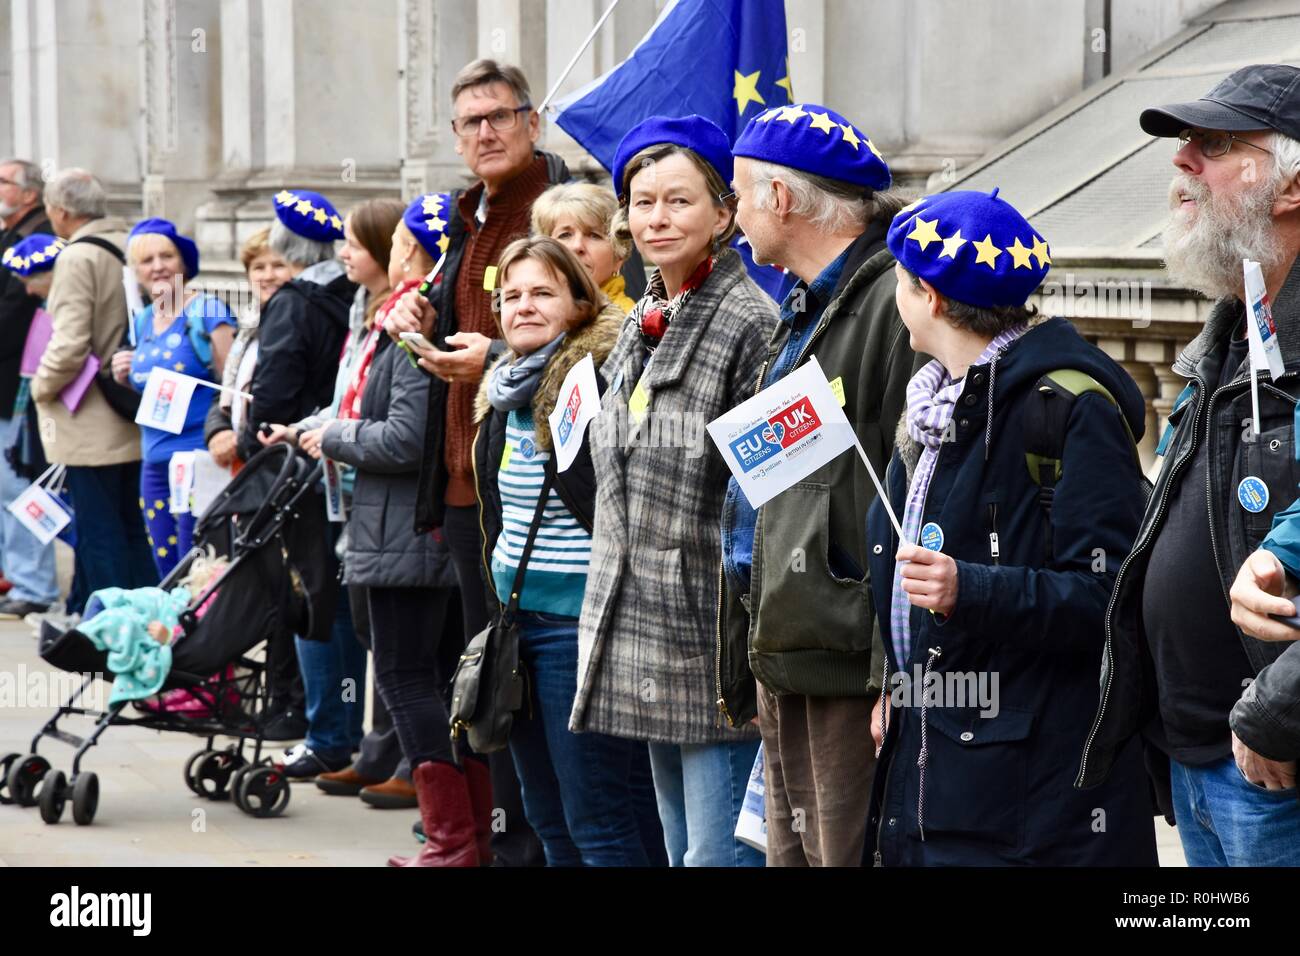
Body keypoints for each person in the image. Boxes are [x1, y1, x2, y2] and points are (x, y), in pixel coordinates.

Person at [865, 188, 1157, 865]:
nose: (896, 300)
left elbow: (1106, 595)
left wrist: (971, 588)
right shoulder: (932, 403)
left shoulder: (1068, 410)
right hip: (935, 769)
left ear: (932, 298)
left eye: (901, 285)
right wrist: (900, 695)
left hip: (1029, 803)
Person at [1080, 64, 1300, 865]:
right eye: (1183, 143)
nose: (1182, 161)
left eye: (1212, 144)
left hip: (1272, 768)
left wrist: (1278, 715)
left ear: (1293, 186)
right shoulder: (1235, 331)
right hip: (1198, 758)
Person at [568, 115, 778, 867]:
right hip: (642, 620)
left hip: (709, 631)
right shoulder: (646, 316)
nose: (657, 218)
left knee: (718, 857)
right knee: (679, 846)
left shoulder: (752, 320)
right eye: (642, 201)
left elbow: (771, 497)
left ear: (724, 214)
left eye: (678, 201)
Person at [716, 104, 914, 866]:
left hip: (845, 661)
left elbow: (912, 492)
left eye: (738, 193)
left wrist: (887, 672)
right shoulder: (807, 298)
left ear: (783, 199)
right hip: (791, 641)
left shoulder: (892, 299)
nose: (732, 214)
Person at [386, 57, 568, 867]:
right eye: (471, 121)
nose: (487, 131)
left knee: (530, 682)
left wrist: (491, 358)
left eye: (501, 115)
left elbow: (583, 336)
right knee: (486, 678)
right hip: (465, 488)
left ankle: (530, 847)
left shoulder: (559, 211)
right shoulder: (468, 216)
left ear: (533, 123)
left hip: (535, 491)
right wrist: (423, 306)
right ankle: (492, 844)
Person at [472, 235, 664, 865]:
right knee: (546, 815)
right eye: (513, 295)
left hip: (582, 629)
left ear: (579, 304)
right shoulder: (505, 393)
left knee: (598, 819)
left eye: (542, 293)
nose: (523, 306)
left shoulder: (600, 380)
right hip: (517, 629)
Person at [313, 195, 478, 867]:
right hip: (401, 530)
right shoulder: (405, 316)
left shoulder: (414, 324)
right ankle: (461, 832)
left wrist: (331, 435)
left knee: (408, 679)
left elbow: (408, 438)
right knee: (431, 678)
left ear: (410, 250)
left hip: (405, 534)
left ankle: (453, 837)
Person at [242, 187, 358, 759]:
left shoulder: (293, 302)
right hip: (355, 465)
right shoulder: (358, 295)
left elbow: (272, 398)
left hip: (302, 468)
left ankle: (327, 735)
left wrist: (252, 436)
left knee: (314, 602)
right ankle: (348, 729)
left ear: (286, 247)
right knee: (343, 600)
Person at [32, 168, 156, 611]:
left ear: (61, 212)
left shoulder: (76, 257)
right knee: (132, 526)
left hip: (90, 415)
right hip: (130, 405)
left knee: (99, 528)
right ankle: (146, 618)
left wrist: (41, 388)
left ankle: (111, 627)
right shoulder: (130, 243)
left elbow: (69, 343)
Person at [111, 218, 236, 578]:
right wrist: (127, 375)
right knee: (167, 569)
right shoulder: (143, 320)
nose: (158, 267)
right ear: (135, 272)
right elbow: (159, 388)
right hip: (153, 460)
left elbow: (232, 385)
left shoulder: (207, 311)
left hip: (199, 457)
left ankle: (204, 635)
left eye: (166, 256)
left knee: (197, 568)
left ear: (183, 262)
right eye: (146, 260)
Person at [0, 160, 61, 618]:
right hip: (11, 383)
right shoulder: (12, 235)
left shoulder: (33, 242)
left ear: (28, 194)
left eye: (3, 181)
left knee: (21, 488)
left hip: (18, 385)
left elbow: (13, 317)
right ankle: (17, 576)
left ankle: (32, 584)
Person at [204, 227, 292, 473]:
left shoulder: (297, 322)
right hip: (242, 457)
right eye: (258, 267)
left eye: (278, 265)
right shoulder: (247, 324)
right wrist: (217, 431)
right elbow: (224, 388)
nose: (268, 275)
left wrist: (242, 442)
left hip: (275, 455)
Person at [530, 182, 634, 313]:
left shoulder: (630, 325)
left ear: (619, 256)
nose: (577, 246)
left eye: (594, 236)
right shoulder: (527, 310)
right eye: (565, 235)